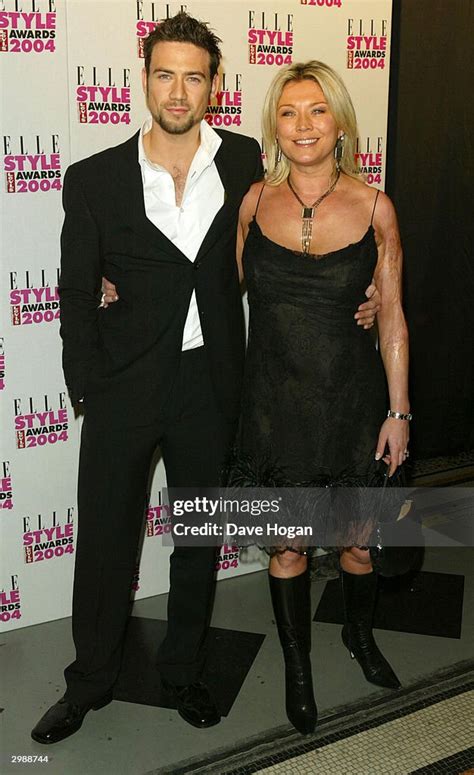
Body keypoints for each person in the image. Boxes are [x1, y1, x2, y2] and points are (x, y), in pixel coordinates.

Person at [32, 13, 379, 744]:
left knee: (198, 537)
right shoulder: (93, 179)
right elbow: (72, 293)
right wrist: (85, 381)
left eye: (194, 75)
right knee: (104, 540)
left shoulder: (250, 162)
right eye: (166, 73)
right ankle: (88, 680)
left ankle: (184, 667)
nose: (179, 89)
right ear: (146, 80)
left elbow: (318, 212)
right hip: (123, 386)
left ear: (214, 86)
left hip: (211, 384)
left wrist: (368, 290)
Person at [229, 61, 410, 735]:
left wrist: (398, 412)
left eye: (317, 111)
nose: (303, 125)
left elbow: (391, 315)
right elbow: (214, 296)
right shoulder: (251, 203)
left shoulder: (374, 206)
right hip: (274, 409)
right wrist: (119, 285)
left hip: (352, 405)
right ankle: (297, 670)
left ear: (339, 122)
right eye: (288, 112)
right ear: (274, 125)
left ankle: (358, 637)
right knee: (289, 547)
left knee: (359, 545)